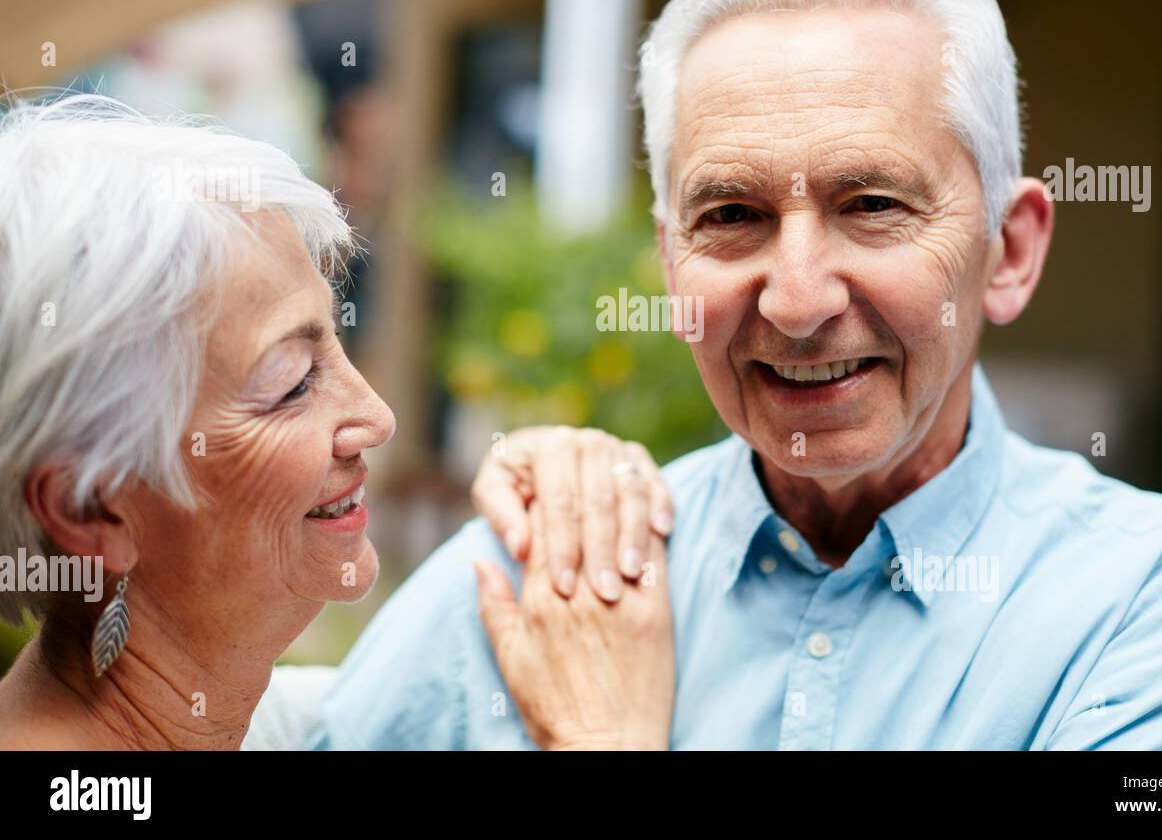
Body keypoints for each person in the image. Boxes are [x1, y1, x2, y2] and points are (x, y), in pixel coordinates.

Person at [314, 0, 1162, 750]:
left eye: (873, 206)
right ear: (669, 262)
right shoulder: (549, 566)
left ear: (1010, 251)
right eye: (731, 215)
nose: (798, 298)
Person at [0, 95, 674, 750]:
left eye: (334, 343)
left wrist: (568, 476)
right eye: (292, 382)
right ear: (89, 508)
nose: (377, 417)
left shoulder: (279, 719)